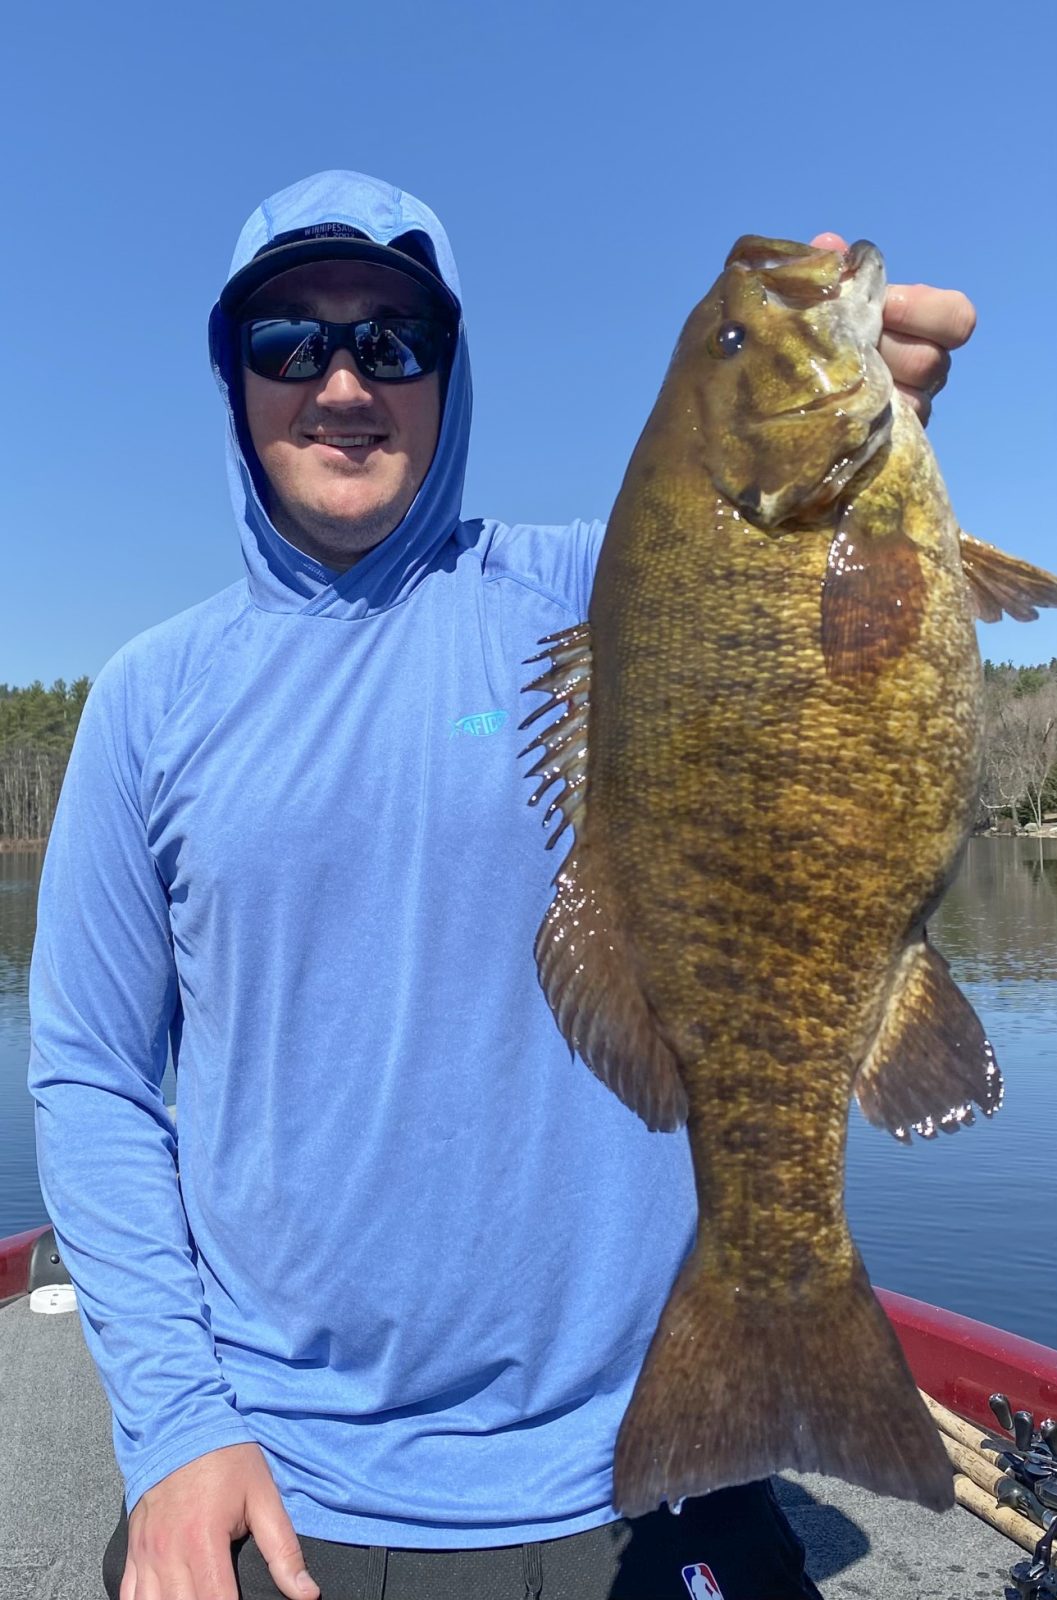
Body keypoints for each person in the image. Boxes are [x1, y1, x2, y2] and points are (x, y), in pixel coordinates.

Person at [27, 170, 975, 1600]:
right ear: (233, 377)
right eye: (290, 340)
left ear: (448, 372)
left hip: (646, 1456)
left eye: (392, 340)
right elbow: (93, 1077)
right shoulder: (148, 699)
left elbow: (791, 611)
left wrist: (880, 417)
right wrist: (172, 1429)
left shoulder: (606, 587)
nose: (344, 383)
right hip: (280, 1476)